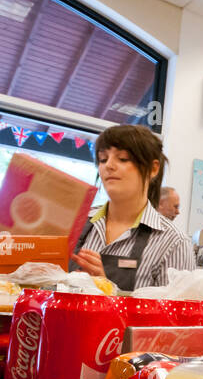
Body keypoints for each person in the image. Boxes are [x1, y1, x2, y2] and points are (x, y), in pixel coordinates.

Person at [70, 125, 195, 291]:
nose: (109, 166)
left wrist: (106, 291)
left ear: (153, 168)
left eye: (122, 159)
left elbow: (177, 316)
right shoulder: (75, 222)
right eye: (103, 159)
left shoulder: (173, 243)